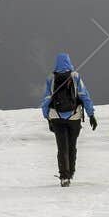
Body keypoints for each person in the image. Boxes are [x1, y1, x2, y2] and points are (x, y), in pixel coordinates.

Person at [39, 52, 96, 186]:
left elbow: (46, 99)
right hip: (74, 117)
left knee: (62, 147)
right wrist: (91, 114)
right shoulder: (75, 76)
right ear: (69, 62)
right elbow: (84, 96)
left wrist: (47, 116)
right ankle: (70, 173)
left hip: (56, 117)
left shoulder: (51, 78)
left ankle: (64, 176)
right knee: (72, 146)